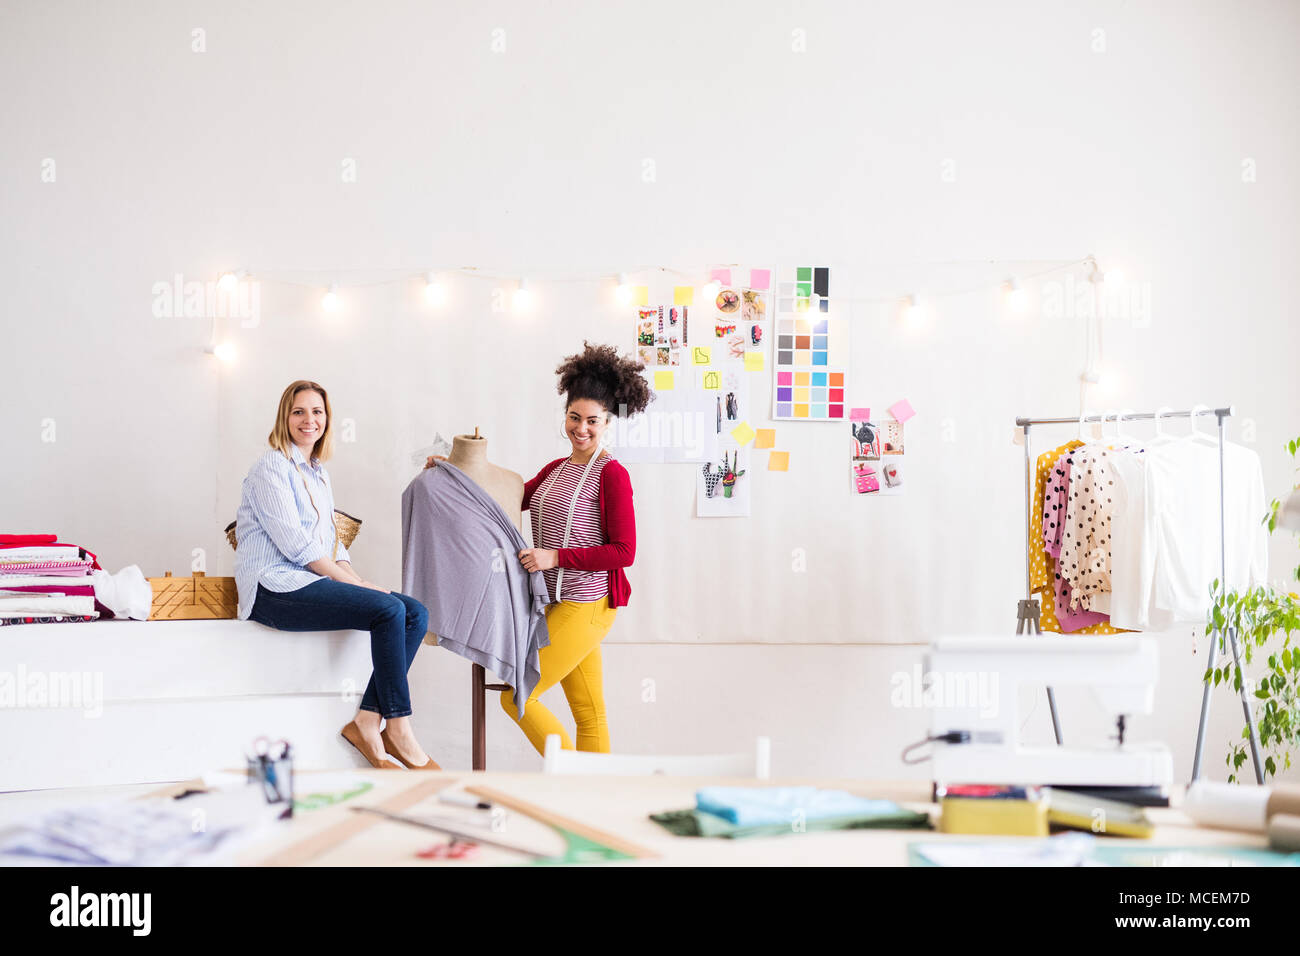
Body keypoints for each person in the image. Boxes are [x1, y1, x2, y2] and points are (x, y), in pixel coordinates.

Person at [427, 342, 649, 753]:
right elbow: (505, 499)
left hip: (588, 606)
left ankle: (565, 781)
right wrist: (450, 471)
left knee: (517, 695)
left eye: (593, 421)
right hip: (555, 604)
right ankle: (593, 800)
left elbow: (624, 552)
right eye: (574, 417)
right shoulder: (556, 469)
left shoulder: (612, 475)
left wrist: (555, 557)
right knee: (589, 712)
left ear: (608, 422)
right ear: (565, 415)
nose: (581, 428)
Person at [235, 379, 439, 770]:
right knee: (387, 610)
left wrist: (360, 580)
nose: (308, 420)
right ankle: (397, 726)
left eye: (317, 411)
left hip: (311, 580)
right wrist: (360, 587)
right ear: (285, 417)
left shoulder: (317, 472)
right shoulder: (270, 467)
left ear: (327, 419)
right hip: (273, 588)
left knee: (414, 612)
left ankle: (366, 720)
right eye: (299, 411)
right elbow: (298, 547)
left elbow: (330, 544)